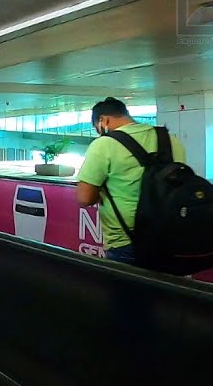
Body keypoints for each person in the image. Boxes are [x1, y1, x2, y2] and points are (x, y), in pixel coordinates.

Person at [75, 97, 185, 266]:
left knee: (128, 291)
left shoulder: (104, 144)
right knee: (166, 291)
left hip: (127, 240)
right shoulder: (171, 140)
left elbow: (85, 197)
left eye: (97, 128)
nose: (100, 133)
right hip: (172, 234)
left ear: (103, 120)